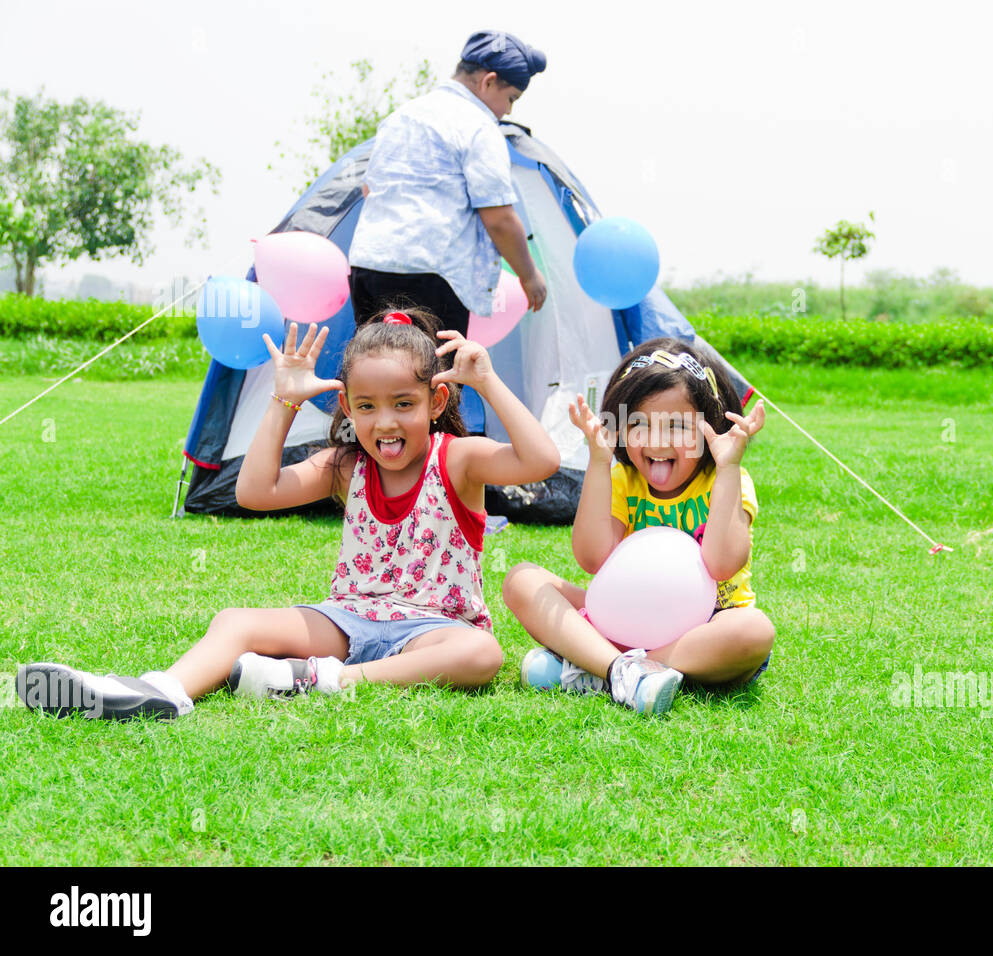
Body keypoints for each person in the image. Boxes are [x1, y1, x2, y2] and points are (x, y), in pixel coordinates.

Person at [15, 309, 560, 720]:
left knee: (481, 652)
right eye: (366, 407)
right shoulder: (346, 466)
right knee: (237, 621)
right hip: (347, 621)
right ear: (347, 409)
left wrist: (485, 379)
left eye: (404, 404)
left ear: (435, 404)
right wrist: (283, 402)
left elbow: (543, 460)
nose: (385, 423)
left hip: (433, 631)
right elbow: (255, 492)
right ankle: (161, 691)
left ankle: (322, 681)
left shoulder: (457, 459)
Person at [502, 338, 776, 716]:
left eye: (678, 426)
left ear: (709, 428)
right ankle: (623, 671)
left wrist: (727, 469)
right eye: (638, 424)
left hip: (702, 636)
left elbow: (723, 565)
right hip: (621, 622)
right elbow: (592, 558)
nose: (656, 440)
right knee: (522, 580)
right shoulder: (621, 479)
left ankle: (601, 669)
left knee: (755, 630)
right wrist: (598, 463)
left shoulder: (728, 478)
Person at [347, 30, 549, 342]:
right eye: (511, 99)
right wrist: (529, 276)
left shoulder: (403, 115)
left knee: (376, 373)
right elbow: (498, 218)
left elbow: (368, 190)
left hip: (369, 267)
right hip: (430, 276)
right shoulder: (478, 126)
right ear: (488, 82)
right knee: (435, 380)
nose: (508, 111)